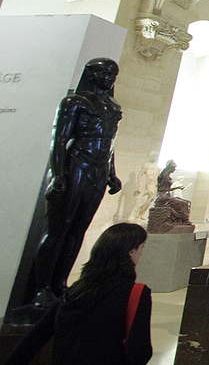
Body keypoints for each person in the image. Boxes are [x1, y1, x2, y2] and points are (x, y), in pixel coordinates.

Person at [23, 58, 123, 311]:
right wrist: (58, 174)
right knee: (58, 230)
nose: (109, 77)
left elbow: (109, 145)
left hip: (98, 171)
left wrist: (112, 173)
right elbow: (59, 141)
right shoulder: (75, 103)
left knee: (78, 230)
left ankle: (60, 282)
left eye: (112, 73)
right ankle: (41, 288)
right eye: (104, 72)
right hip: (76, 165)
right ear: (92, 74)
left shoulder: (112, 108)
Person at [9, 222, 152, 365]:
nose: (142, 253)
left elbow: (36, 337)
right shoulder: (137, 293)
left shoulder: (75, 290)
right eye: (142, 248)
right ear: (131, 252)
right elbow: (140, 350)